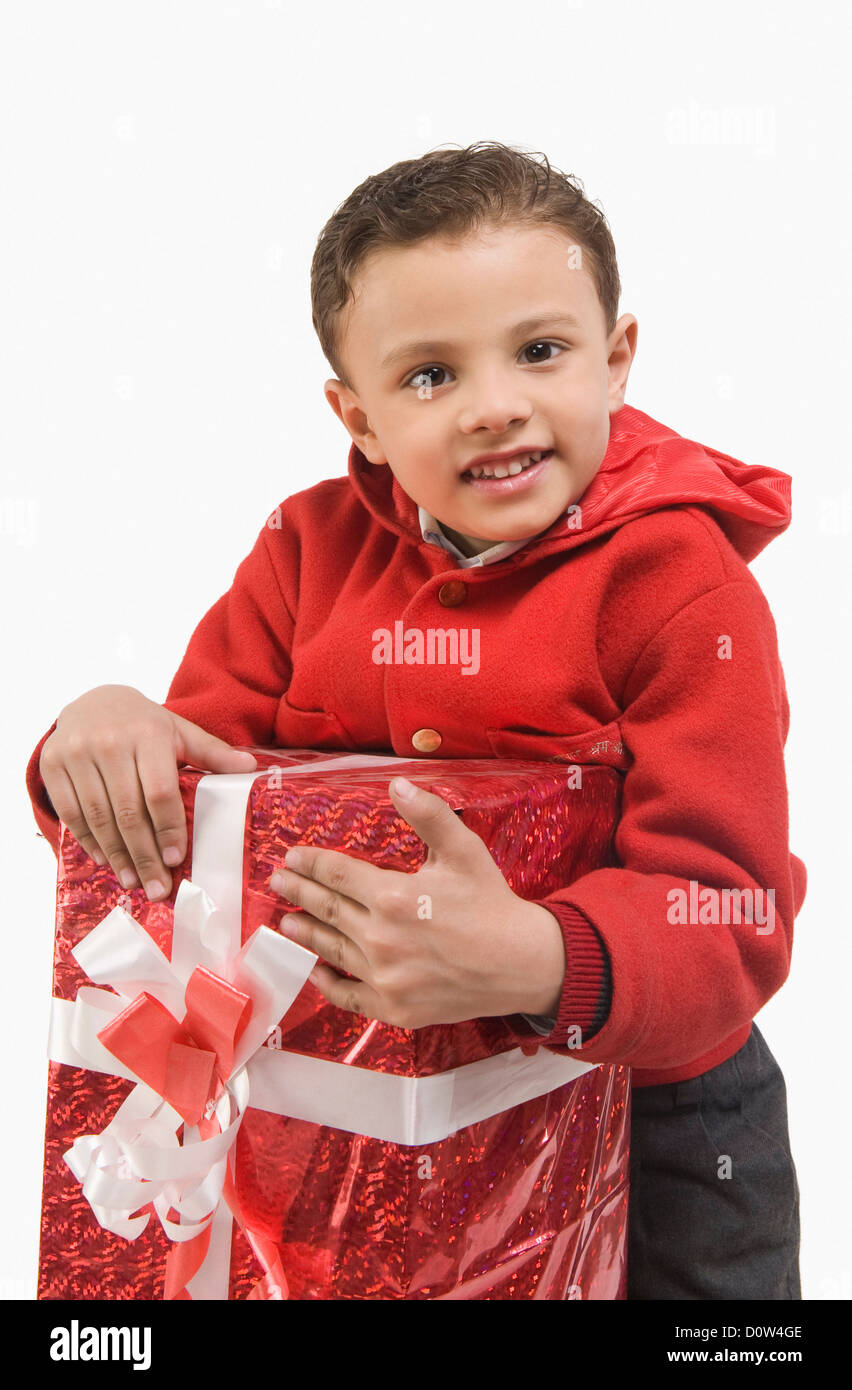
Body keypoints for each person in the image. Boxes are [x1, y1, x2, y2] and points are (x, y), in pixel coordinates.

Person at [26, 140, 804, 1300]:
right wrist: (100, 736)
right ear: (362, 417)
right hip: (358, 1091)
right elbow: (194, 837)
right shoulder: (304, 553)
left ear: (617, 359)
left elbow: (731, 911)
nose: (496, 408)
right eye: (430, 376)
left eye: (540, 352)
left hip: (668, 1112)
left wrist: (538, 955)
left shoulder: (684, 586)